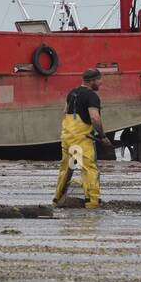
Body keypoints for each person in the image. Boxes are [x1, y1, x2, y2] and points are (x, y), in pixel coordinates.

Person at [53, 67, 111, 208]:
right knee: (89, 169)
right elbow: (94, 118)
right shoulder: (92, 96)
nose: (101, 83)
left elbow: (65, 111)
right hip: (82, 140)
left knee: (66, 169)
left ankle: (57, 199)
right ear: (92, 81)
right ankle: (92, 202)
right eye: (99, 80)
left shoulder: (72, 93)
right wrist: (102, 136)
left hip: (67, 139)